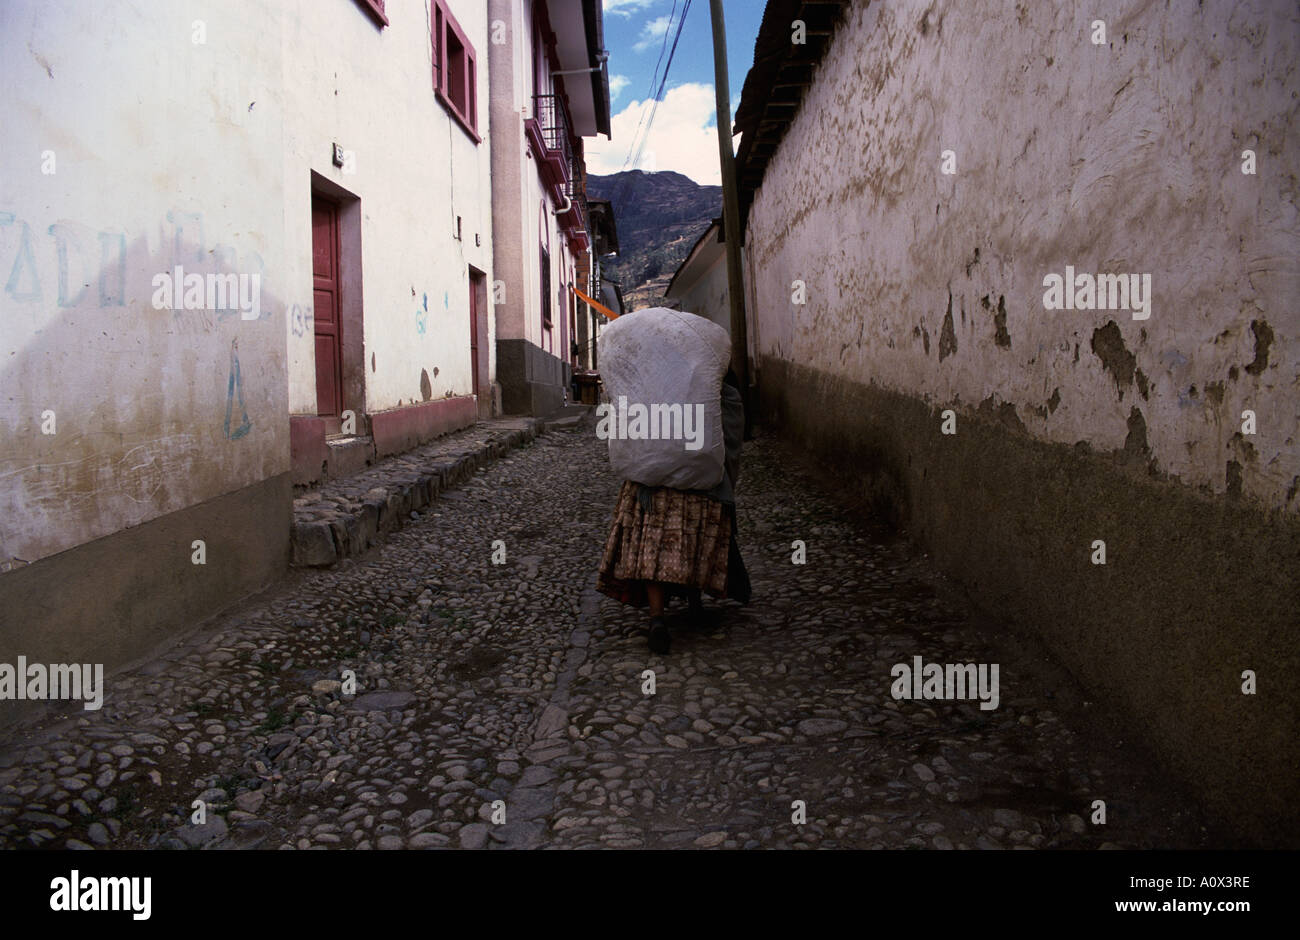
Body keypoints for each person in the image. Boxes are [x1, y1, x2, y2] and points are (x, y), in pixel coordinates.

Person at [596, 369, 751, 654]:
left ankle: (657, 619)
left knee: (652, 547)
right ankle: (694, 603)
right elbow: (729, 417)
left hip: (654, 479)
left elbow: (627, 417)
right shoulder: (706, 371)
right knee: (692, 539)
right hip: (697, 477)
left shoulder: (650, 375)